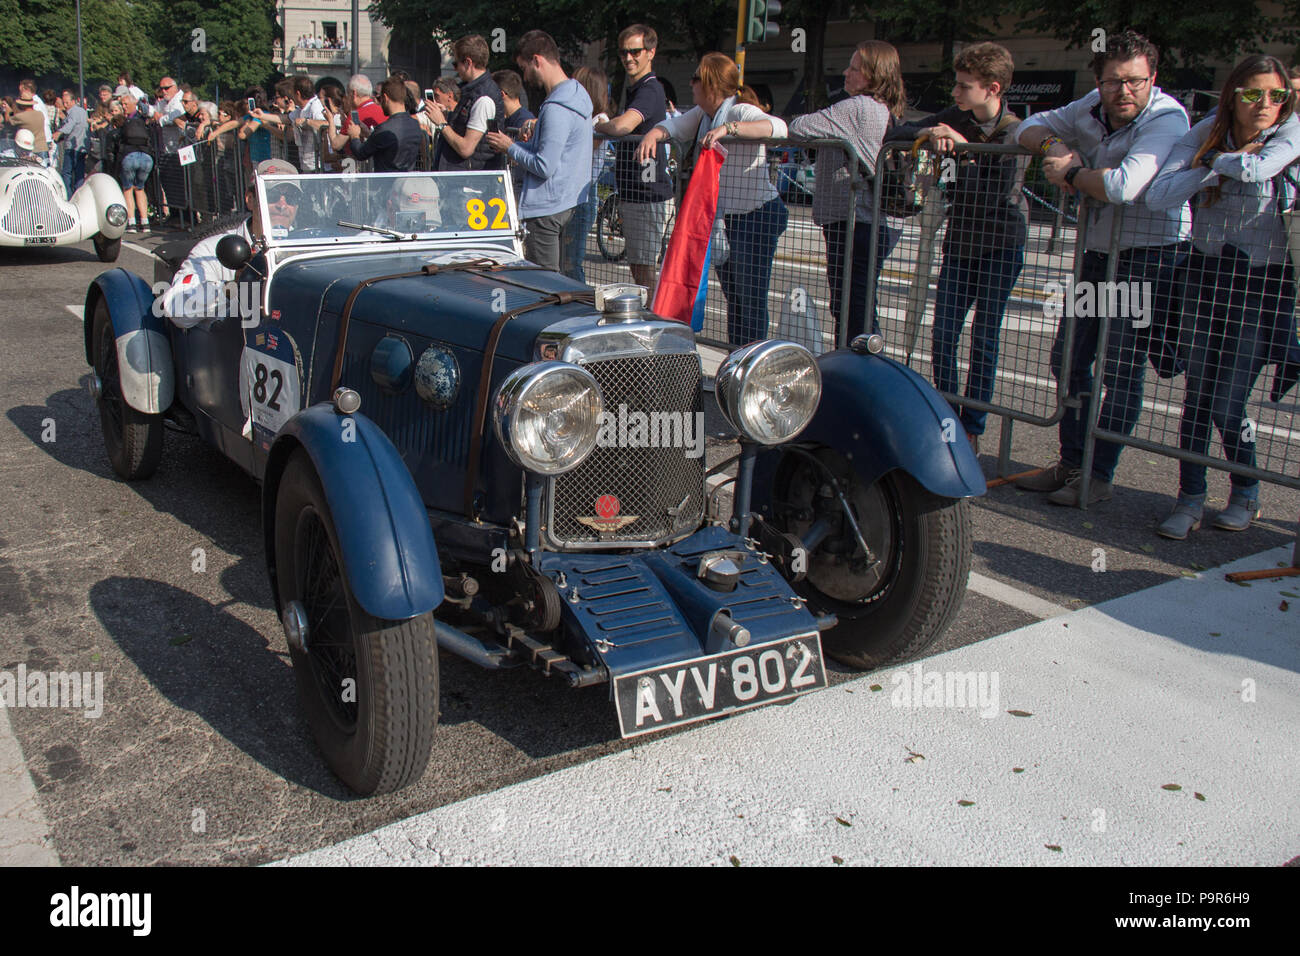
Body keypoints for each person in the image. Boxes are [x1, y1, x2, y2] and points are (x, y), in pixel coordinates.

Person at [1014, 30, 1191, 506]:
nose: (1124, 91)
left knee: (1121, 368)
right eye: (1114, 81)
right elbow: (1021, 129)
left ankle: (1097, 473)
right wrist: (1054, 146)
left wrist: (1070, 174)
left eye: (1136, 81)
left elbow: (1123, 186)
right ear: (1099, 80)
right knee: (1068, 357)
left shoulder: (1167, 116)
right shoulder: (1091, 104)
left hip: (1148, 256)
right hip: (1098, 253)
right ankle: (1072, 463)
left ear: (1153, 79)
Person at [1143, 55, 1300, 537]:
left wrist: (1212, 161)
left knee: (1228, 404)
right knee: (1196, 398)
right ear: (1233, 95)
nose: (1265, 105)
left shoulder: (1290, 130)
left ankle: (1246, 491)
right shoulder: (1207, 129)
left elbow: (1261, 169)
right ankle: (1190, 496)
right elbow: (1158, 194)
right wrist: (1213, 164)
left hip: (1261, 285)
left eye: (1276, 95)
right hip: (1205, 279)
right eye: (1253, 94)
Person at [886, 42, 1029, 454]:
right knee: (945, 331)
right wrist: (927, 132)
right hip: (961, 242)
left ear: (993, 89)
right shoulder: (956, 116)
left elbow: (997, 194)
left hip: (1001, 243)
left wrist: (961, 151)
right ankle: (947, 413)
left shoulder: (1015, 132)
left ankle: (973, 425)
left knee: (985, 336)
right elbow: (895, 132)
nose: (956, 93)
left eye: (965, 87)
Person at [637, 52, 789, 345]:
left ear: (710, 85)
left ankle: (750, 358)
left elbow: (778, 128)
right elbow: (675, 126)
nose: (690, 84)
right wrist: (653, 134)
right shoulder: (703, 114)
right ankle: (738, 355)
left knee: (749, 299)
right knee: (736, 298)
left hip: (754, 215)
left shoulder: (736, 111)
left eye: (695, 78)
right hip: (727, 218)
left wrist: (729, 130)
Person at [789, 39, 905, 345]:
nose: (845, 73)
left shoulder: (858, 107)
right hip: (870, 220)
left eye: (854, 68)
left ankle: (863, 373)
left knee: (853, 308)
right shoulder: (883, 109)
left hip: (857, 219)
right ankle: (859, 366)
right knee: (856, 304)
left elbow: (800, 126)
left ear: (872, 74)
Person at [483, 30, 593, 272]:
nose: (524, 75)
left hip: (546, 209)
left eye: (524, 68)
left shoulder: (556, 107)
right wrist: (513, 144)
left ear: (537, 60)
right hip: (569, 202)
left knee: (544, 285)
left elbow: (544, 166)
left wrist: (509, 147)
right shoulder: (577, 95)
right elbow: (552, 154)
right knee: (567, 281)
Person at [162, 159, 300, 328]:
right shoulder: (211, 250)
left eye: (291, 198)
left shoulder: (309, 249)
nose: (282, 205)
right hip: (234, 346)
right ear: (250, 199)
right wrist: (232, 288)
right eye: (271, 196)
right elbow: (176, 308)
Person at [593, 24, 675, 295]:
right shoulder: (638, 88)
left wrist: (599, 124)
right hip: (638, 192)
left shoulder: (649, 89)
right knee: (640, 269)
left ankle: (653, 328)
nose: (628, 58)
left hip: (646, 193)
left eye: (635, 51)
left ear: (651, 52)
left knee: (643, 272)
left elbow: (622, 127)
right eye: (623, 52)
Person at [561, 66, 611, 283]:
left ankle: (582, 307)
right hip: (572, 191)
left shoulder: (600, 120)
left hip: (585, 192)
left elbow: (580, 149)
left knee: (572, 263)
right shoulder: (584, 118)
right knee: (564, 262)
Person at [428, 34, 506, 171]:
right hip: (466, 180)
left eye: (456, 63)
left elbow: (466, 148)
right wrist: (448, 115)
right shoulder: (473, 91)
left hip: (471, 185)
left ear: (468, 63)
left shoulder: (484, 99)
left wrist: (441, 123)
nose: (455, 69)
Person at [330, 76, 423, 172]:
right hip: (407, 180)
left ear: (385, 98)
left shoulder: (384, 129)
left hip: (386, 183)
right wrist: (368, 133)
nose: (380, 103)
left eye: (380, 99)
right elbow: (383, 144)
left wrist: (354, 136)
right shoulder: (415, 124)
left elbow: (361, 153)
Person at [116, 93, 155, 232]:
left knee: (128, 188)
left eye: (126, 104)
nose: (124, 107)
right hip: (146, 157)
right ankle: (145, 222)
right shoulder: (142, 120)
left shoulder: (127, 121)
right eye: (122, 104)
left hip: (130, 155)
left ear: (134, 104)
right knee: (140, 188)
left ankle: (131, 222)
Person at [53, 89, 90, 195]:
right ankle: (80, 195)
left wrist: (59, 133)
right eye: (64, 103)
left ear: (73, 101)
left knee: (67, 173)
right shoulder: (82, 111)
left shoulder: (73, 112)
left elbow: (69, 127)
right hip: (82, 146)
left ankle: (68, 196)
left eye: (67, 103)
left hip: (73, 147)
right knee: (79, 174)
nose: (65, 105)